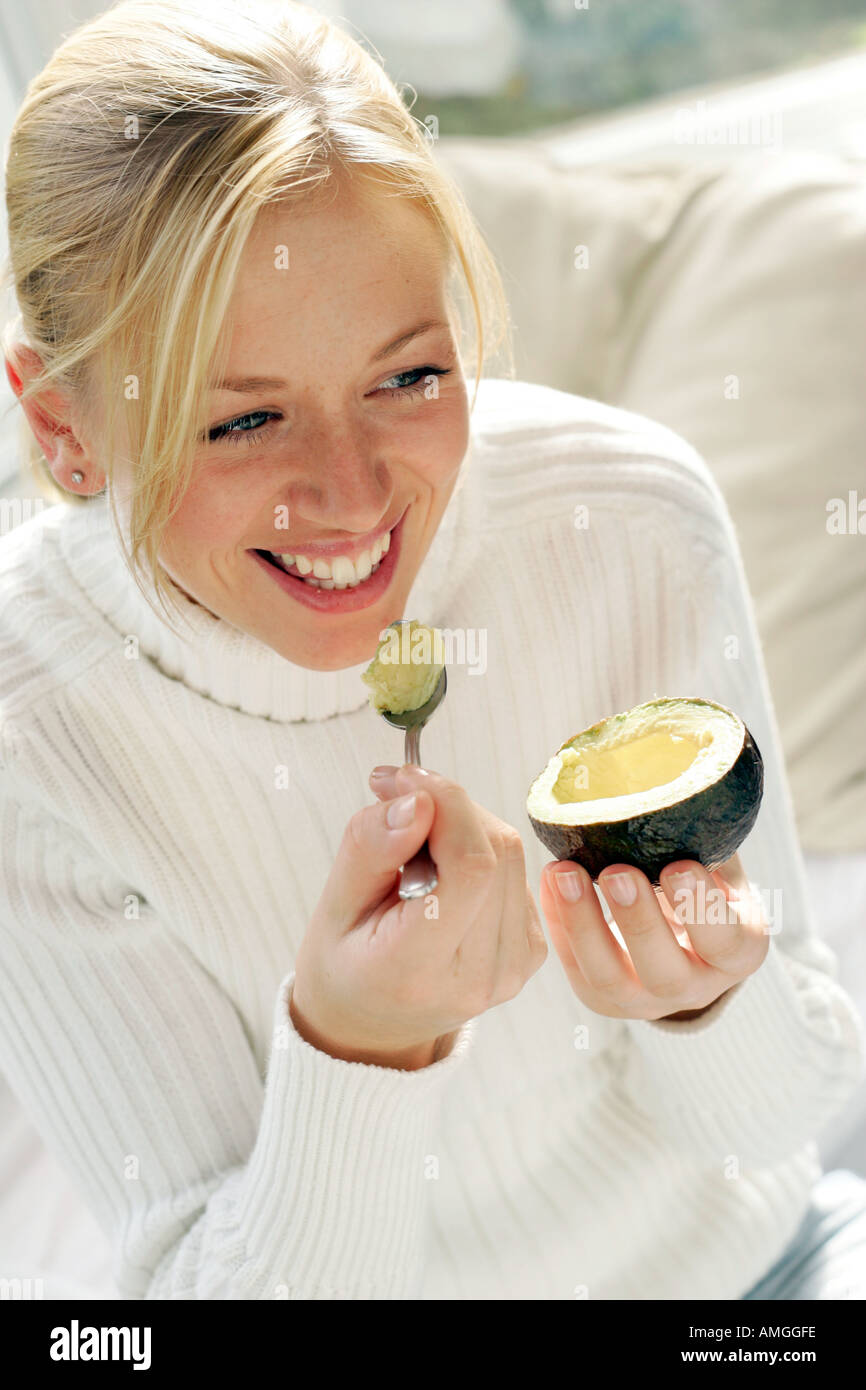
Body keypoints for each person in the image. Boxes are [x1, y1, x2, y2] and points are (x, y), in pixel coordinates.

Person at [0, 0, 864, 1302]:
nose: (351, 497)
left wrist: (698, 1001)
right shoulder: (34, 726)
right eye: (241, 424)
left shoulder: (630, 517)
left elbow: (773, 1125)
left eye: (406, 378)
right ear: (62, 431)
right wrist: (358, 1047)